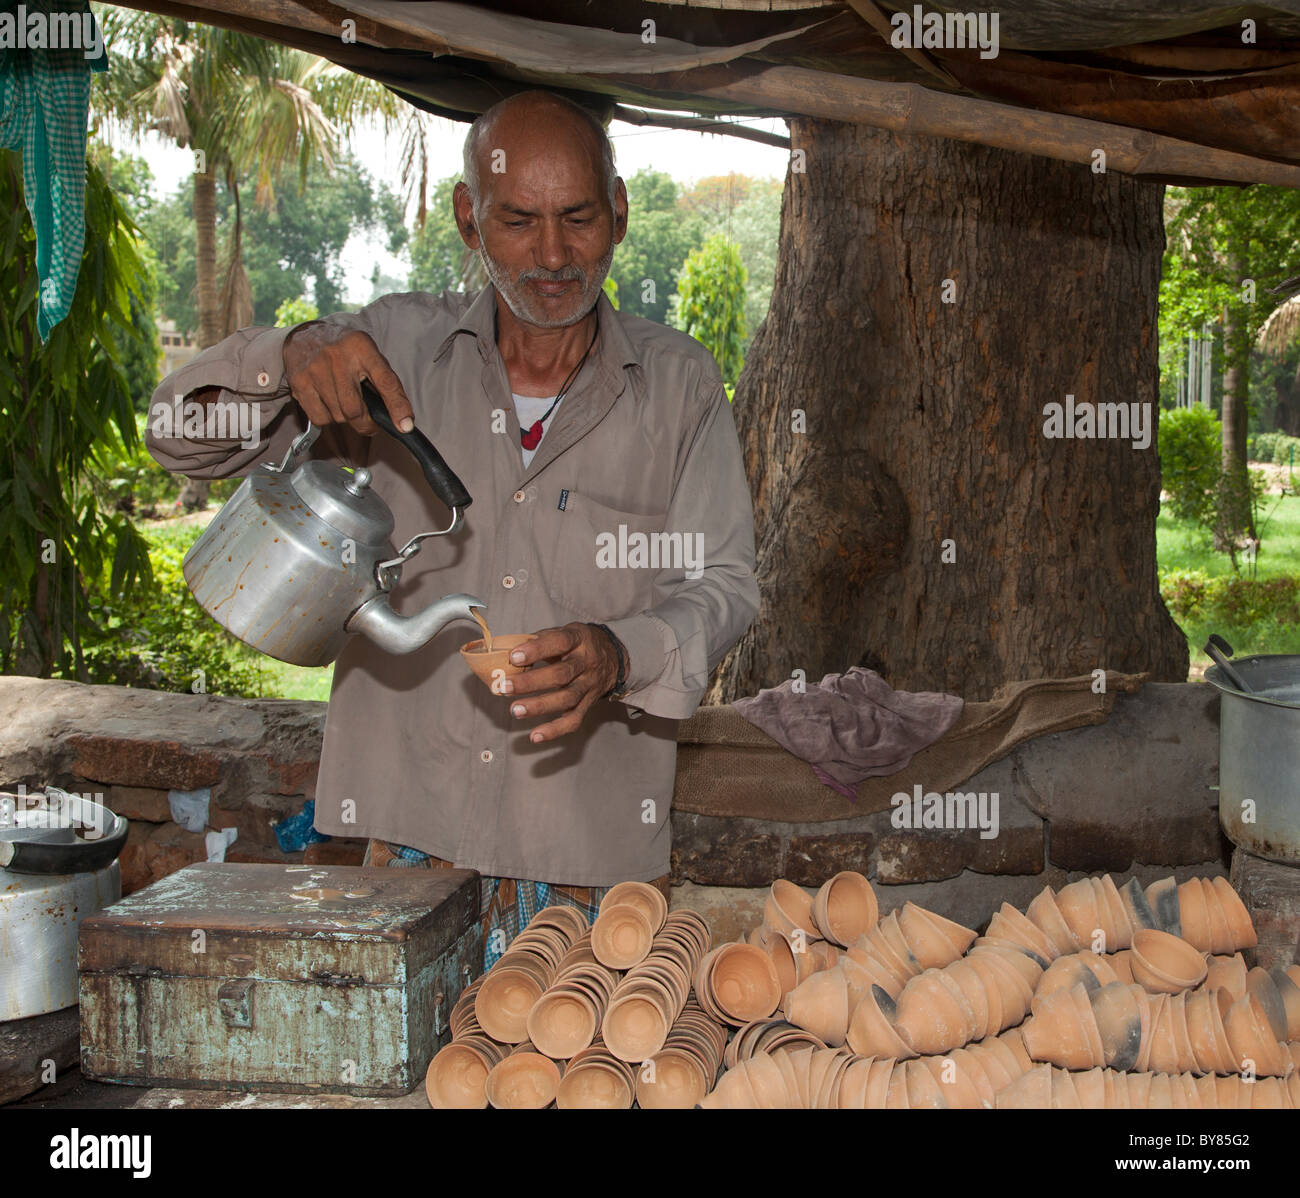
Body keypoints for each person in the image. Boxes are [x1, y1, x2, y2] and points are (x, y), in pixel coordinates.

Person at [147, 89, 759, 964]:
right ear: (470, 220)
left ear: (619, 213)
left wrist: (626, 652)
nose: (552, 254)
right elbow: (178, 439)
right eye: (518, 221)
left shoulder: (681, 386)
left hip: (591, 864)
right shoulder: (391, 348)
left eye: (579, 217)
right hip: (404, 845)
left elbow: (727, 584)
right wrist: (284, 359)